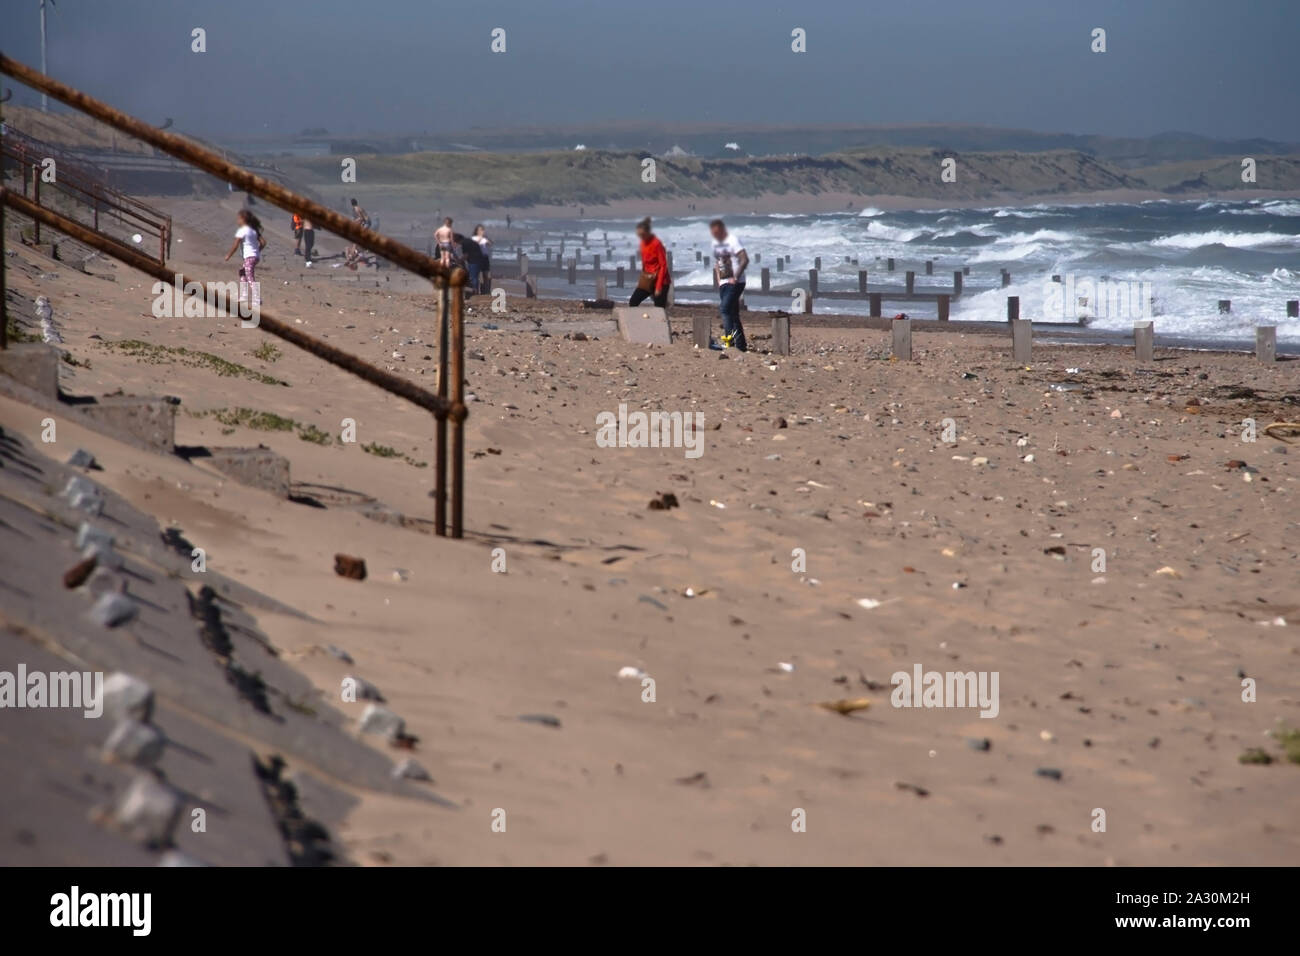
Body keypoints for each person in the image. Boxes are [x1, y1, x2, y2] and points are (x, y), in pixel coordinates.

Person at [709, 218, 748, 350]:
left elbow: (744, 259)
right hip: (724, 283)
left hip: (736, 282)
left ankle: (729, 342)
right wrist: (719, 280)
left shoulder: (733, 240)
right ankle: (741, 346)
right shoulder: (715, 243)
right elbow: (717, 262)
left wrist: (736, 277)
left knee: (724, 310)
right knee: (733, 314)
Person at [224, 209, 265, 307]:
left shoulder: (242, 230)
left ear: (243, 219)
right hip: (255, 257)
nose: (237, 221)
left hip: (249, 257)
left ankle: (257, 298)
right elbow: (263, 243)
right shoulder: (253, 230)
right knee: (242, 272)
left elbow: (235, 245)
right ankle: (244, 295)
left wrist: (228, 255)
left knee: (250, 276)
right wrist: (257, 251)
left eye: (238, 219)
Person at [629, 217, 670, 309]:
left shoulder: (657, 244)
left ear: (648, 233)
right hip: (648, 279)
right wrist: (643, 277)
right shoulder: (642, 243)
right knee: (633, 302)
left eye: (643, 235)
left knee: (659, 309)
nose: (641, 237)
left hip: (660, 281)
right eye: (639, 235)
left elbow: (663, 265)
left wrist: (658, 287)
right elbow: (645, 263)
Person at [457, 232, 488, 296]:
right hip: (479, 260)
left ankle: (475, 292)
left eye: (457, 242)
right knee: (475, 277)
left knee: (473, 277)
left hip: (473, 261)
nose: (458, 244)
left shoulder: (464, 243)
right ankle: (477, 291)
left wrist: (460, 260)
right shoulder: (469, 241)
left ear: (459, 240)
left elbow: (466, 255)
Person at [472, 224, 492, 294]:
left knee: (486, 275)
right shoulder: (474, 238)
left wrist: (486, 238)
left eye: (482, 230)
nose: (481, 231)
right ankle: (476, 291)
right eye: (480, 230)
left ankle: (486, 291)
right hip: (477, 258)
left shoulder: (484, 238)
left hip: (485, 257)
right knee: (476, 275)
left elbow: (490, 243)